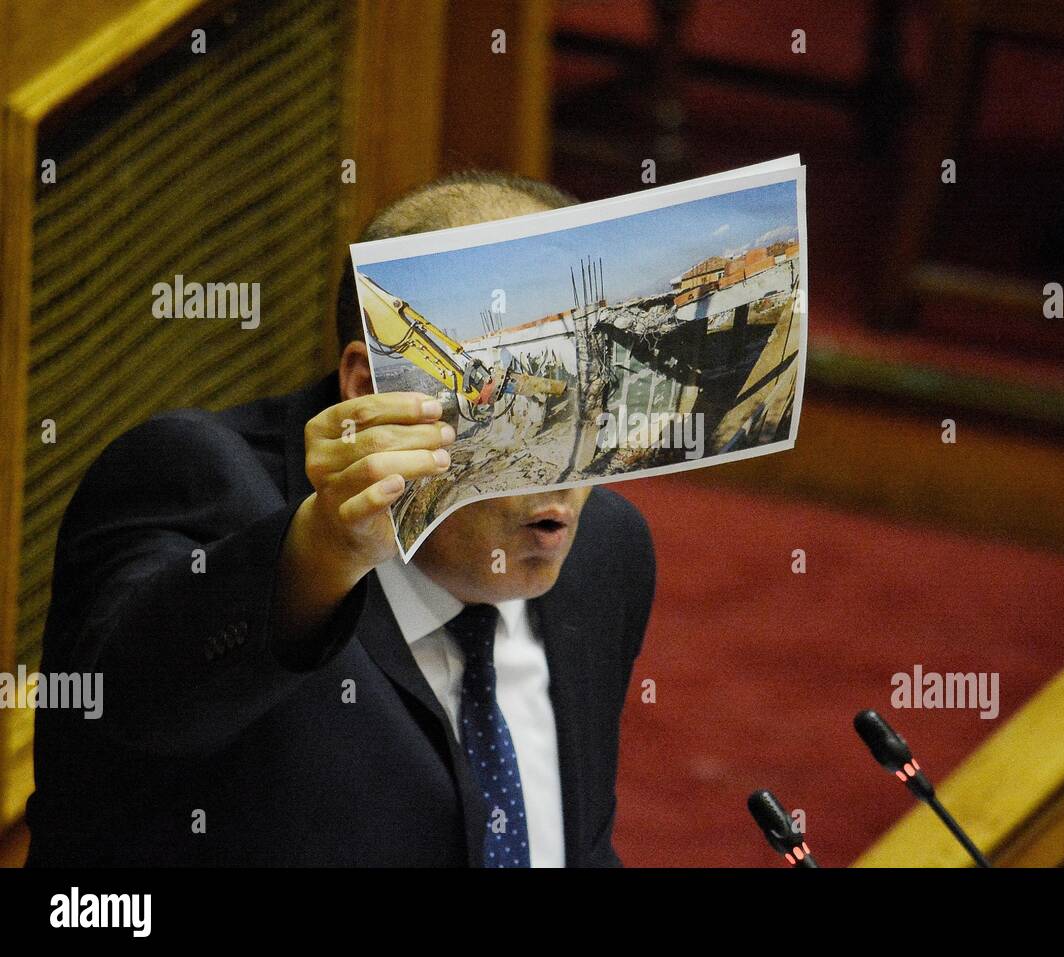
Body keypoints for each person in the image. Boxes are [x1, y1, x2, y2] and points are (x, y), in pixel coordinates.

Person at [25, 171, 655, 867]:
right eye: (531, 408)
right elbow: (126, 708)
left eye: (593, 405)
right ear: (373, 388)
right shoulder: (191, 479)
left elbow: (574, 842)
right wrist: (323, 550)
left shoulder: (606, 551)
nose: (570, 470)